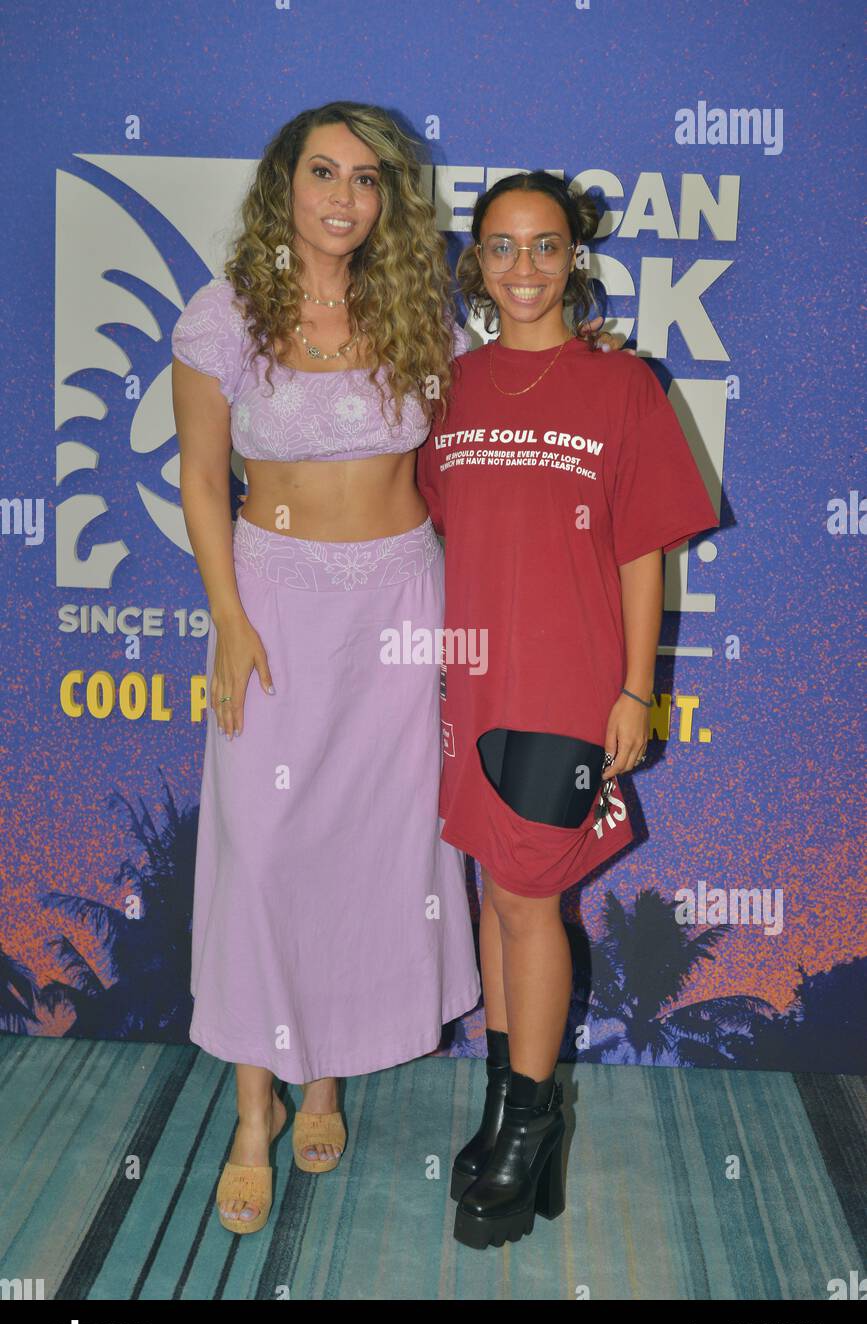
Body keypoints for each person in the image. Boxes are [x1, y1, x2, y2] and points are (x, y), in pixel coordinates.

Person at [170, 102, 484, 1234]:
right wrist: (227, 613)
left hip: (403, 603)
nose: (343, 196)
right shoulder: (222, 319)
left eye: (364, 179)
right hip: (275, 605)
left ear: (386, 201)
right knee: (262, 852)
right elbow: (205, 481)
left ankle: (325, 1079)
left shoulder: (418, 311)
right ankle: (252, 1115)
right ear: (283, 185)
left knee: (366, 853)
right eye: (322, 172)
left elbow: (486, 433)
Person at [416, 170, 719, 1250]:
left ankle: (526, 1126)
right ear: (477, 263)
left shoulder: (622, 384)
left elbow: (646, 548)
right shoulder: (450, 387)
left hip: (570, 685)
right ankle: (509, 1111)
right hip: (477, 683)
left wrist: (636, 688)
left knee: (527, 899)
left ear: (573, 258)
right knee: (501, 898)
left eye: (546, 247)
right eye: (502, 247)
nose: (525, 269)